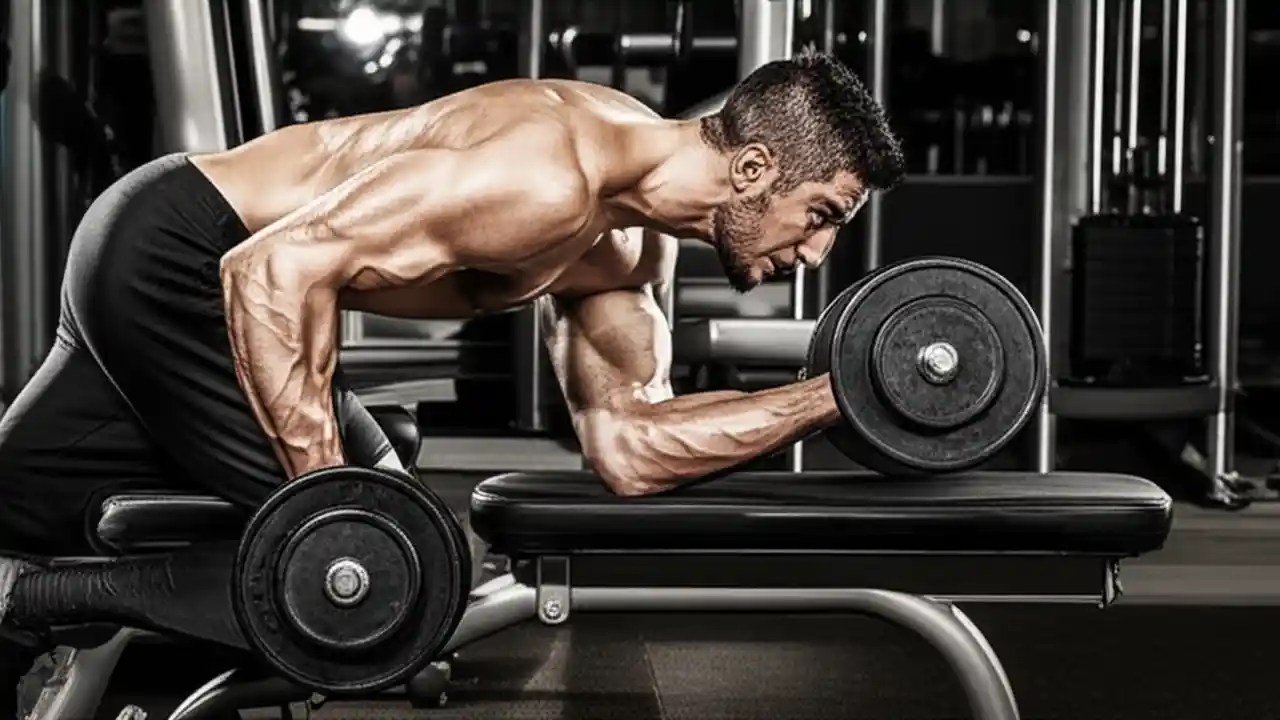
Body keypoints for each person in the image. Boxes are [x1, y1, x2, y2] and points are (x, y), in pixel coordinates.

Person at [0, 50, 902, 714]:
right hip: (188, 256)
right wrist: (333, 513)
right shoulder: (547, 175)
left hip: (172, 246)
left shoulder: (630, 247)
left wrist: (835, 395)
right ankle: (35, 598)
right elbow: (270, 271)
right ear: (754, 167)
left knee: (16, 504)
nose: (817, 252)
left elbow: (632, 448)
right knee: (400, 573)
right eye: (821, 214)